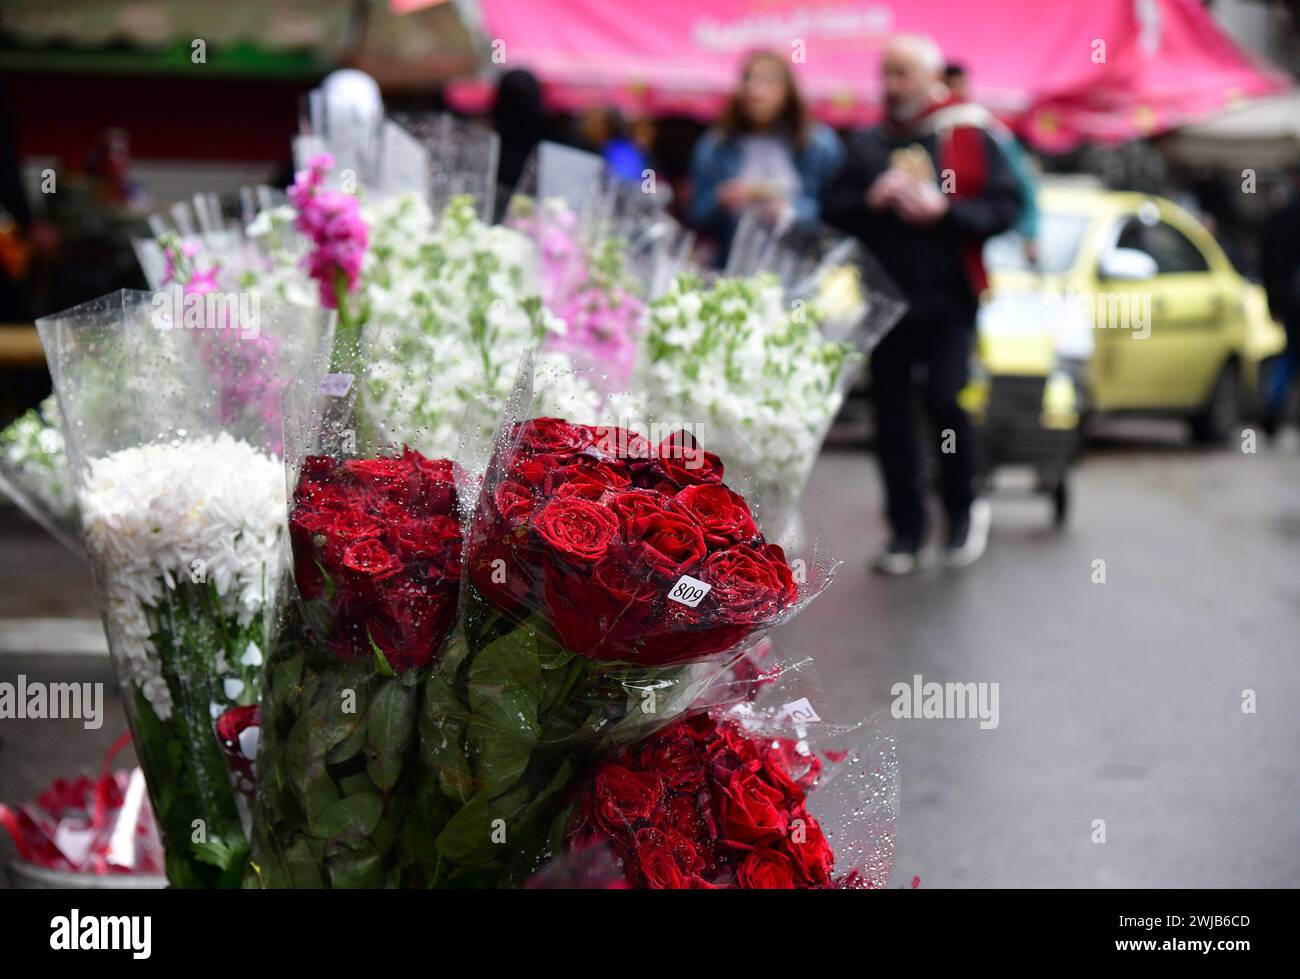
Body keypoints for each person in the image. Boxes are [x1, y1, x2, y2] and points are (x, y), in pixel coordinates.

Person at [821, 34, 1021, 574]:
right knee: (890, 417)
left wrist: (945, 211)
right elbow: (831, 208)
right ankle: (905, 533)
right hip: (884, 302)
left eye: (901, 73)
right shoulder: (867, 145)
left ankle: (962, 507)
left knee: (946, 399)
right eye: (885, 73)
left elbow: (1007, 205)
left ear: (931, 78)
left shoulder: (966, 133)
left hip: (949, 300)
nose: (890, 85)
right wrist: (869, 199)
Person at [687, 50, 842, 265]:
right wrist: (721, 201)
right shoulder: (716, 144)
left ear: (788, 92)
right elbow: (697, 215)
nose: (756, 92)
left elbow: (836, 212)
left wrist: (791, 213)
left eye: (768, 82)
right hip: (735, 263)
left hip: (799, 263)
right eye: (750, 80)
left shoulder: (818, 144)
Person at [945, 61, 1040, 265]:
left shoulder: (985, 130)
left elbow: (1023, 182)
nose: (955, 94)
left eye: (959, 87)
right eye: (949, 88)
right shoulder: (929, 129)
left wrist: (1030, 233)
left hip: (982, 235)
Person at [1261, 169, 1300, 438]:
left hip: (1288, 300)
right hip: (1290, 299)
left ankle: (1272, 408)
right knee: (1290, 356)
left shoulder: (1281, 215)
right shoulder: (1284, 215)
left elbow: (1269, 262)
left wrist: (1272, 301)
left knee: (1289, 355)